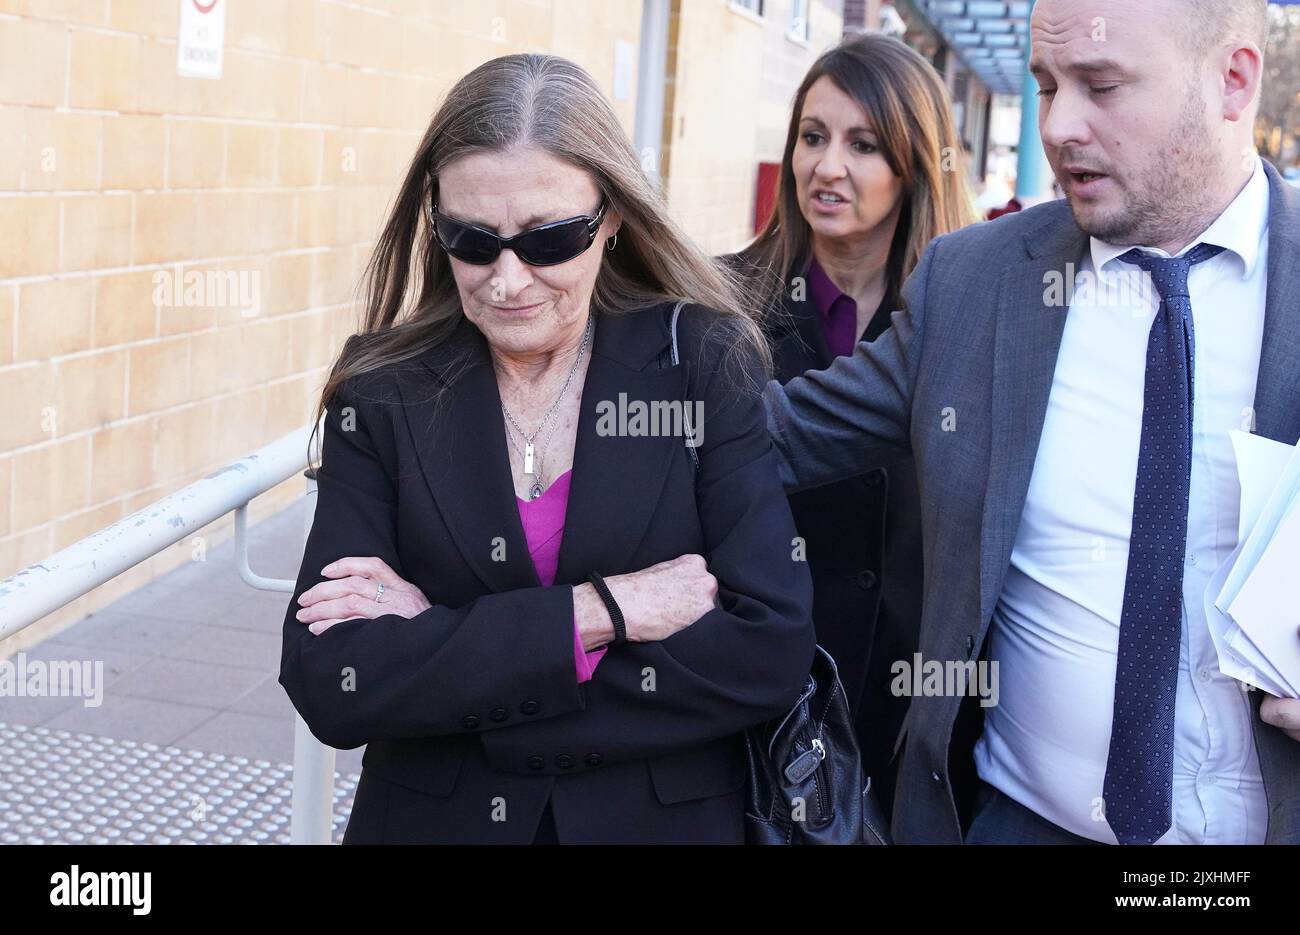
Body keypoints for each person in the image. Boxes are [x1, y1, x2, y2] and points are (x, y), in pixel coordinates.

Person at [763, 0, 1300, 844]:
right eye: (1047, 86)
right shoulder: (976, 283)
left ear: (1232, 80)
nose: (1058, 126)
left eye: (1102, 86)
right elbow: (773, 438)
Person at [278, 52, 815, 845]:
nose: (506, 279)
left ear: (613, 215)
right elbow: (333, 678)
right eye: (470, 239)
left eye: (549, 239)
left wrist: (451, 649)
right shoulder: (382, 389)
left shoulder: (702, 363)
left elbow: (767, 650)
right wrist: (603, 612)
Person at [725, 32, 976, 814]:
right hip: (752, 717)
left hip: (910, 726)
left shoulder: (965, 324)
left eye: (863, 145)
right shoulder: (720, 307)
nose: (826, 166)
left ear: (916, 165)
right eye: (812, 136)